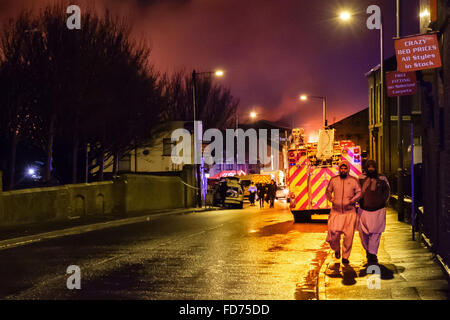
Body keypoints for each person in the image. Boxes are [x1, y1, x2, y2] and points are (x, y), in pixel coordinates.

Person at [325, 160, 362, 264]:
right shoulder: (334, 180)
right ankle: (337, 249)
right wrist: (331, 199)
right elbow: (328, 191)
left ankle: (345, 256)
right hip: (336, 212)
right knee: (333, 233)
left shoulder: (354, 180)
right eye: (341, 168)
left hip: (349, 213)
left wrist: (352, 200)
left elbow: (359, 192)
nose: (343, 170)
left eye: (345, 168)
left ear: (348, 169)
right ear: (339, 169)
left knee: (348, 236)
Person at [357, 160, 390, 264]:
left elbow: (387, 192)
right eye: (369, 167)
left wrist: (382, 202)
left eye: (373, 167)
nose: (371, 169)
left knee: (375, 233)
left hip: (378, 211)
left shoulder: (382, 179)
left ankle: (372, 254)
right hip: (364, 211)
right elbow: (356, 192)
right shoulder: (360, 179)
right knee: (364, 234)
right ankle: (368, 250)